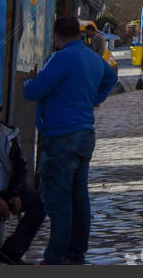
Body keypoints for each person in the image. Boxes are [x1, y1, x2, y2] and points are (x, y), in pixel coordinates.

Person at [23, 16, 120, 264]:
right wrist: (94, 98)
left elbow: (34, 91)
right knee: (79, 197)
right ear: (78, 33)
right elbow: (110, 77)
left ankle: (55, 256)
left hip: (60, 135)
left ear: (56, 36)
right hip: (85, 132)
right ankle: (76, 252)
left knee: (58, 199)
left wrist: (28, 81)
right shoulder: (92, 57)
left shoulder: (60, 58)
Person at [0, 96, 45, 264]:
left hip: (6, 190)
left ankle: (12, 252)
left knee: (40, 201)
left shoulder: (7, 135)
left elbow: (20, 168)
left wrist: (14, 193)